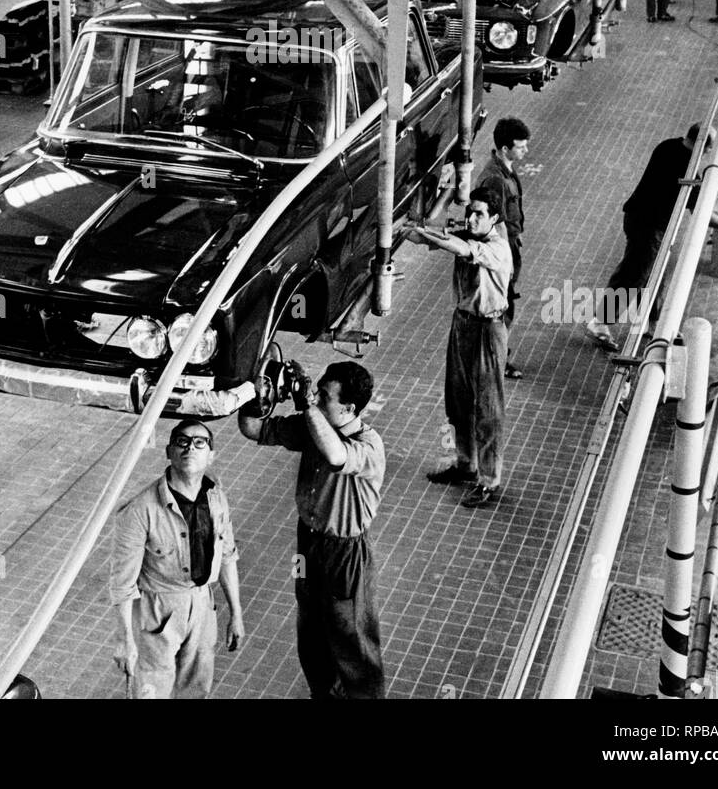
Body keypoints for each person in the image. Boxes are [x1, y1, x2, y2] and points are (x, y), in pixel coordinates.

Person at [238, 359, 386, 700]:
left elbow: (335, 455)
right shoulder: (312, 425)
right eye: (316, 392)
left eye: (324, 396)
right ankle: (324, 694)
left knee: (352, 638)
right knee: (310, 626)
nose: (316, 400)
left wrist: (306, 406)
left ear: (349, 408)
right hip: (306, 546)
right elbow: (253, 428)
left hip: (345, 553)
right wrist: (253, 389)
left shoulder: (368, 446)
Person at [108, 418, 245, 699]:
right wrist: (124, 639)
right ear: (169, 452)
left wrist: (237, 614)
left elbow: (228, 556)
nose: (190, 448)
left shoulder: (216, 497)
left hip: (202, 607)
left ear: (211, 454)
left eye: (199, 442)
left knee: (196, 689)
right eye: (181, 441)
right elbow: (122, 583)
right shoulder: (139, 510)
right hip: (157, 610)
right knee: (151, 691)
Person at [415, 189, 513, 508]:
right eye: (469, 212)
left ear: (495, 218)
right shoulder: (470, 230)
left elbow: (457, 246)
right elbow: (435, 233)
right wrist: (411, 227)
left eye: (479, 214)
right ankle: (465, 465)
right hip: (463, 324)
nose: (471, 218)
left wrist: (425, 231)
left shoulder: (497, 247)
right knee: (457, 401)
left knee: (487, 409)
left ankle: (488, 480)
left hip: (488, 329)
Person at [585, 123, 710, 351]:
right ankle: (599, 323)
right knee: (635, 273)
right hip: (649, 226)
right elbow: (700, 209)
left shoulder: (668, 146)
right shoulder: (686, 167)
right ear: (704, 147)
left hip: (637, 216)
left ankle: (652, 323)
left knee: (654, 272)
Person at [474, 117, 530, 379]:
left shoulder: (504, 169)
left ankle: (497, 357)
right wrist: (506, 261)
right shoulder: (495, 179)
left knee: (505, 305)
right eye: (520, 147)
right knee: (501, 308)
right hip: (503, 250)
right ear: (505, 148)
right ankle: (497, 361)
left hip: (509, 246)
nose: (525, 151)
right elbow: (498, 223)